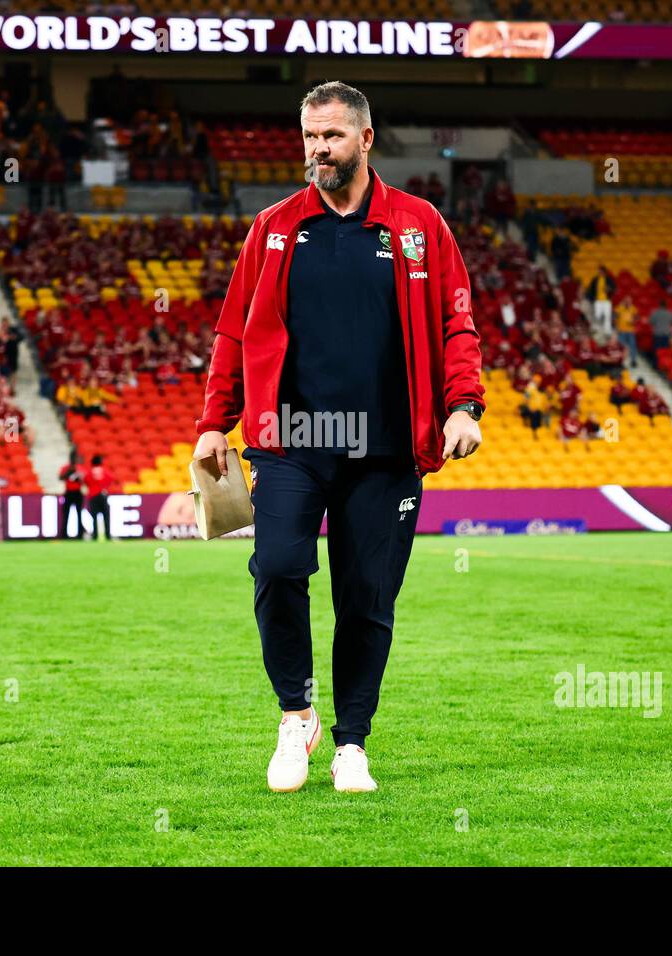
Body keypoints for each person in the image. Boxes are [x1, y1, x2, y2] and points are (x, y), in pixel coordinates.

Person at [193, 82, 484, 795]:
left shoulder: (418, 226)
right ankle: (296, 715)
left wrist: (463, 405)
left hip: (388, 448)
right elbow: (233, 332)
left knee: (366, 599)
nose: (317, 150)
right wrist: (212, 424)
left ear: (365, 139)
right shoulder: (272, 228)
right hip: (291, 439)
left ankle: (352, 742)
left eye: (331, 136)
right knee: (278, 566)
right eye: (309, 137)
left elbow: (456, 323)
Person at [85, 454, 117, 541]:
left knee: (94, 517)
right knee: (106, 516)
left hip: (93, 496)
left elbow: (86, 480)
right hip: (102, 495)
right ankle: (108, 535)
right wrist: (104, 487)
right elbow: (111, 478)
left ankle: (95, 536)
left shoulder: (90, 472)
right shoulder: (104, 471)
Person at [58, 452, 86, 539]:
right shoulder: (65, 468)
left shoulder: (80, 468)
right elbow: (61, 477)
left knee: (79, 514)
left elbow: (84, 479)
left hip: (77, 492)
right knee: (66, 514)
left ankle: (80, 534)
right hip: (69, 492)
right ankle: (64, 535)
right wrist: (68, 473)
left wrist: (78, 476)